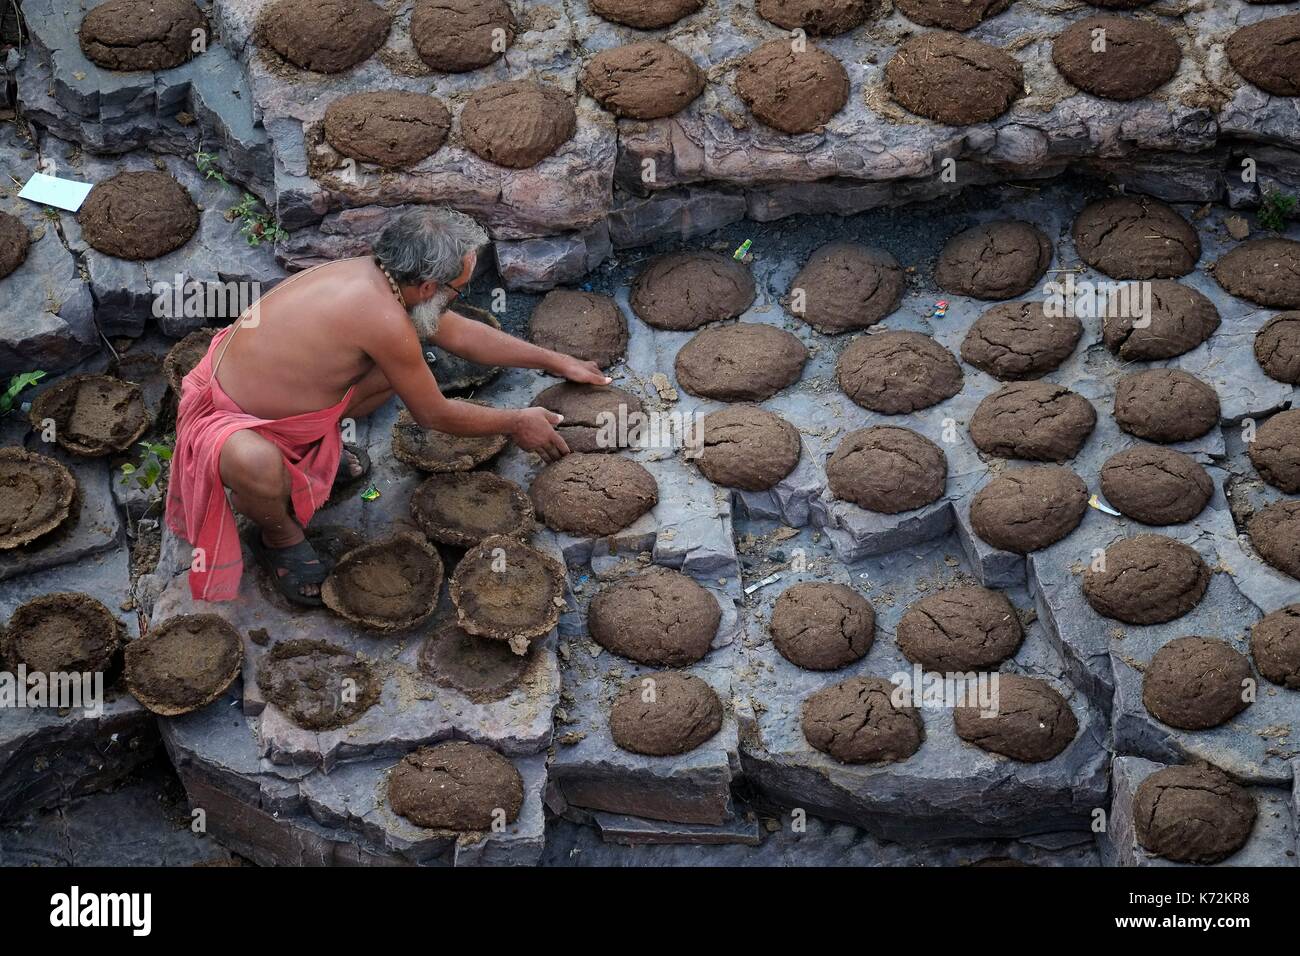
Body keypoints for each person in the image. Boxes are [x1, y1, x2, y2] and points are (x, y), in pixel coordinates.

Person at [165, 206, 607, 606]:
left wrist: (554, 359)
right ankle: (279, 534)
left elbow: (461, 334)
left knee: (396, 370)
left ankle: (306, 462)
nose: (460, 295)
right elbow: (433, 414)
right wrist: (516, 422)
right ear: (429, 285)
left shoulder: (383, 279)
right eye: (459, 288)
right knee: (258, 462)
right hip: (229, 422)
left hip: (288, 401)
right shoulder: (380, 316)